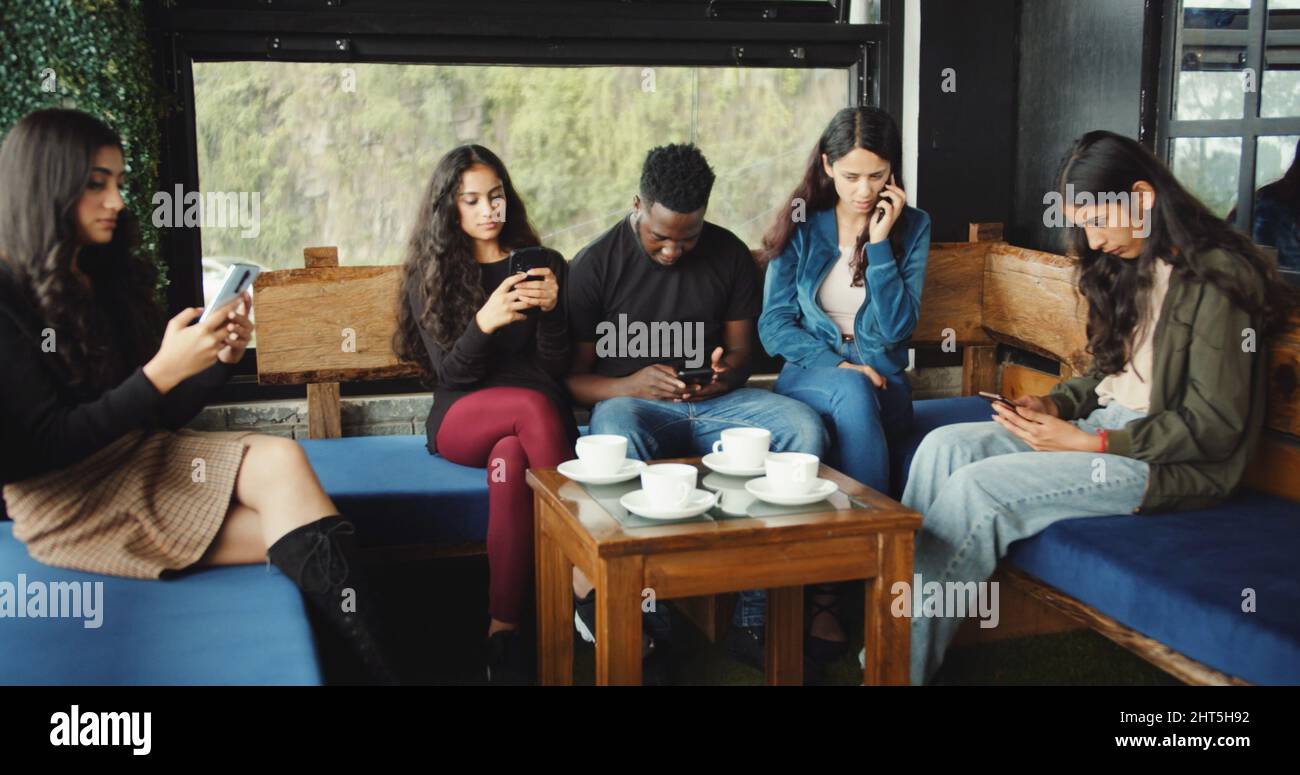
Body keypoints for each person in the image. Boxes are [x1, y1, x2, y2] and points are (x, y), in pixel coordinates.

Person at [0, 108, 397, 683]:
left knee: (290, 496)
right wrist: (160, 371)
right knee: (302, 542)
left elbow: (155, 415)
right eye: (96, 184)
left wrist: (218, 362)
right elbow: (40, 447)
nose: (115, 200)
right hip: (69, 501)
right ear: (46, 185)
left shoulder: (103, 275)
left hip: (136, 459)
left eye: (118, 182)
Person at [897, 130, 1297, 685]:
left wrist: (1095, 443)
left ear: (1143, 196)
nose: (1093, 238)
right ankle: (893, 647)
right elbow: (1104, 373)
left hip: (1166, 463)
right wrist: (1056, 404)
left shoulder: (1218, 275)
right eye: (1082, 222)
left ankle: (895, 675)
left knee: (978, 489)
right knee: (943, 446)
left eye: (1097, 219)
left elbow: (1214, 425)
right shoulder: (1132, 261)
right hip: (1100, 427)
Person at [565, 143, 828, 677]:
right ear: (637, 204)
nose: (672, 251)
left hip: (715, 405)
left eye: (686, 239)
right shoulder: (596, 265)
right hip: (635, 409)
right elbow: (570, 382)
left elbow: (741, 355)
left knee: (802, 426)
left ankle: (755, 619)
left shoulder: (727, 255)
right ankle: (646, 622)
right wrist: (630, 385)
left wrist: (723, 375)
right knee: (612, 433)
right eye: (660, 237)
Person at [394, 144, 575, 684]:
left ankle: (503, 632)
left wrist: (552, 313)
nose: (487, 209)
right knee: (530, 407)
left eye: (494, 196)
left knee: (511, 461)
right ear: (450, 210)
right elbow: (450, 375)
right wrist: (486, 321)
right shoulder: (430, 273)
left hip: (526, 426)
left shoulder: (543, 263)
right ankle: (585, 577)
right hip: (460, 419)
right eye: (471, 200)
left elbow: (555, 364)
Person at [757, 106, 931, 663]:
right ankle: (869, 576)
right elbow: (773, 323)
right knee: (853, 391)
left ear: (891, 172)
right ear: (828, 165)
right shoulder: (802, 222)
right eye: (851, 175)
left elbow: (898, 330)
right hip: (813, 375)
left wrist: (878, 246)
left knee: (865, 392)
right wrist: (837, 362)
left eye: (877, 175)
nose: (864, 189)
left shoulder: (913, 226)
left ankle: (834, 590)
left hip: (883, 381)